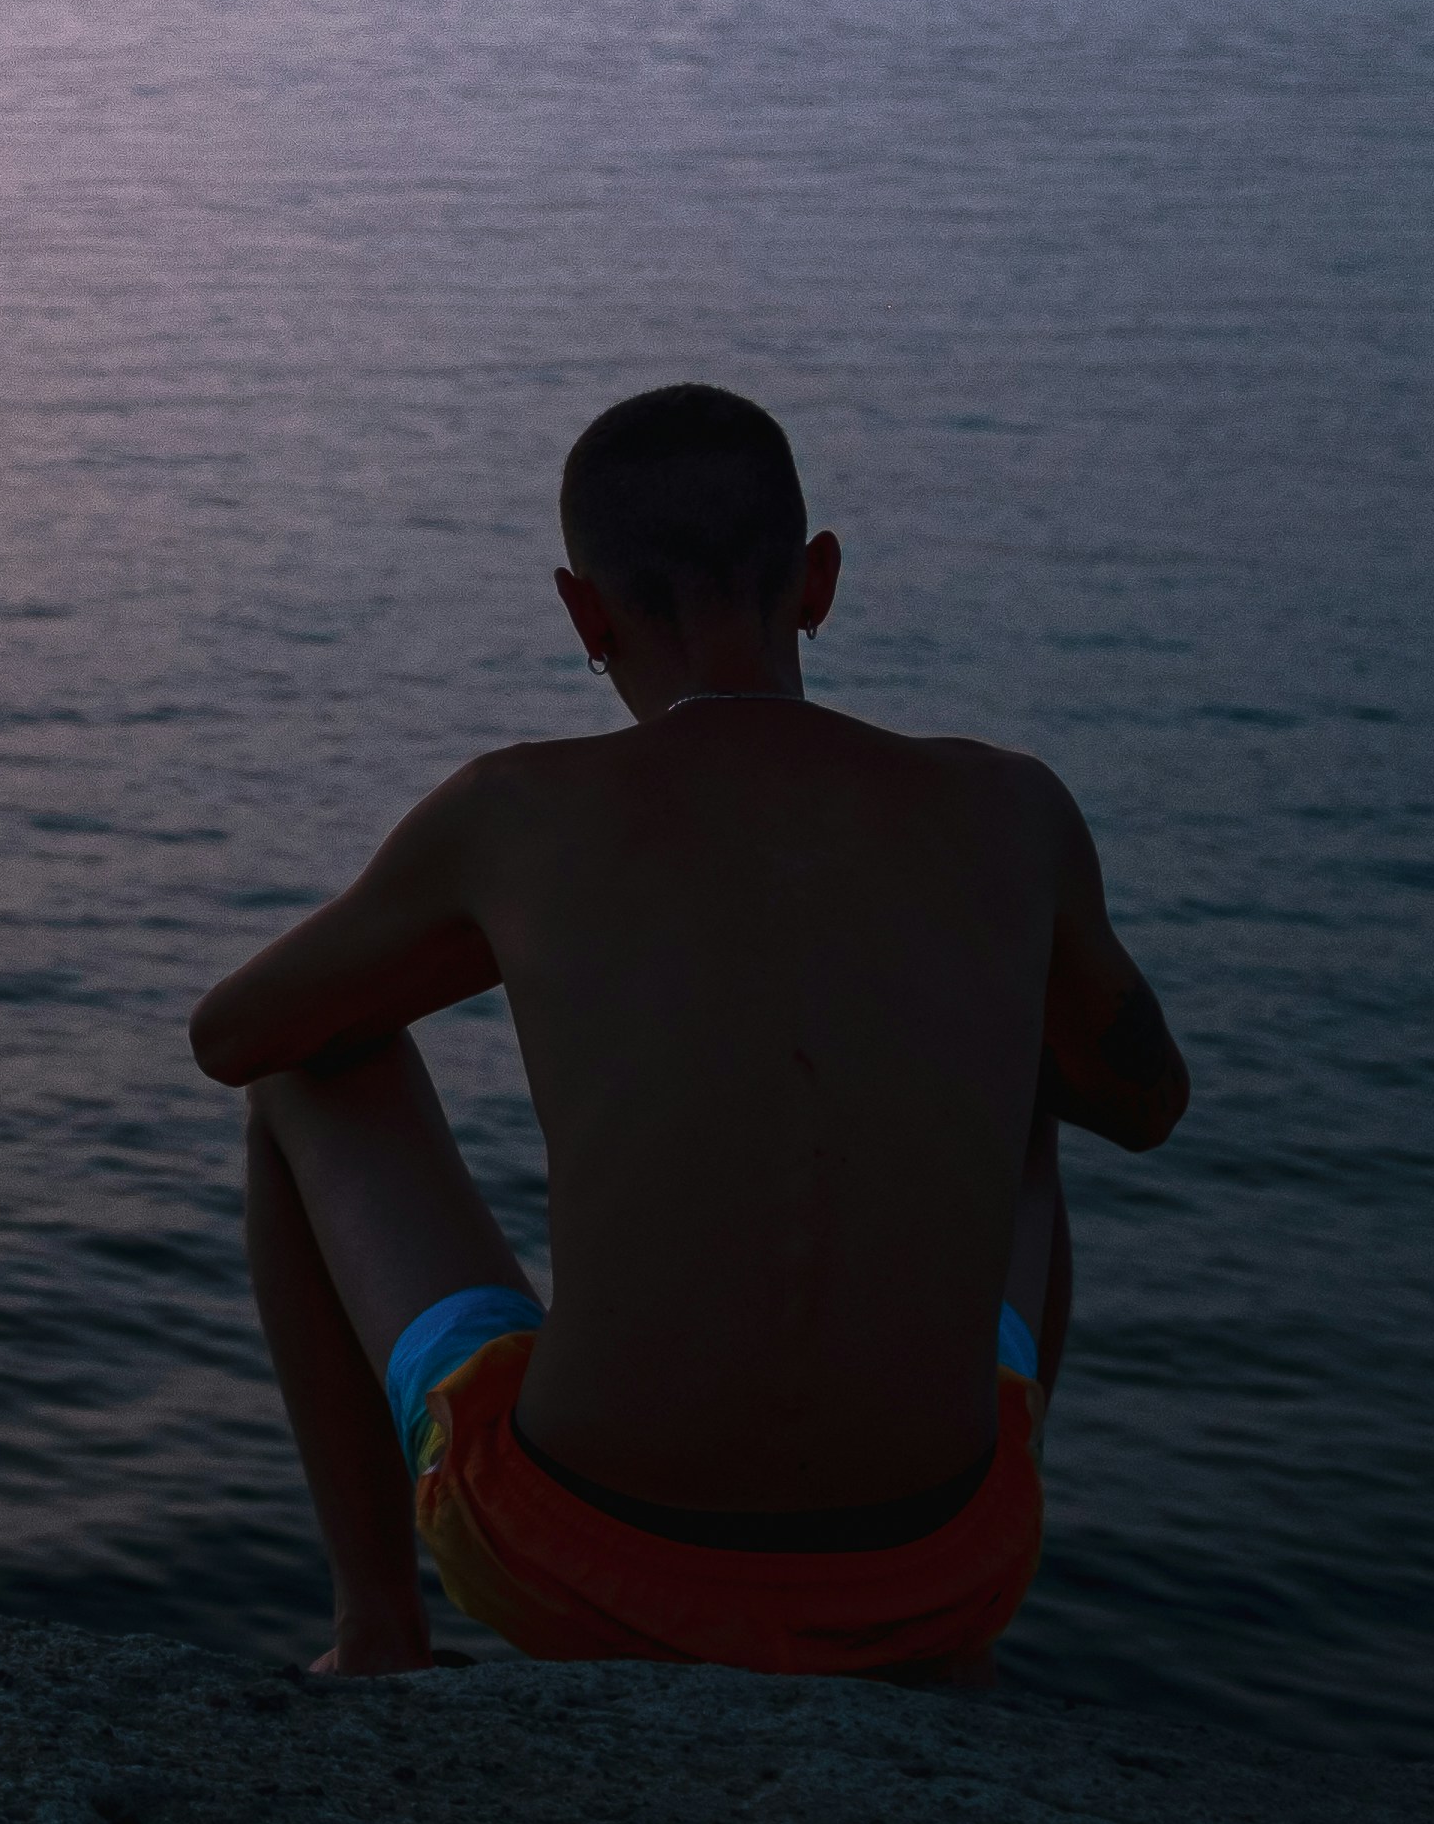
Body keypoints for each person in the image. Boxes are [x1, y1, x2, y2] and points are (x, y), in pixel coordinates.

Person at [187, 384, 1190, 1681]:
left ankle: (376, 1632)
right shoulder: (1008, 806)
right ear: (818, 577)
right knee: (1030, 1112)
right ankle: (935, 1614)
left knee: (300, 1079)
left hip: (573, 1558)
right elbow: (1144, 1100)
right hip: (942, 1574)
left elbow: (234, 1033)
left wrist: (513, 943)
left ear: (580, 611)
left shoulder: (519, 810)